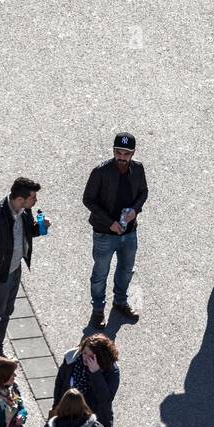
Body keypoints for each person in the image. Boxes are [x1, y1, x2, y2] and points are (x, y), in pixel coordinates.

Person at [0, 177, 49, 358]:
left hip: (15, 269)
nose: (35, 201)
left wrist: (40, 228)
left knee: (7, 311)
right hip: (0, 275)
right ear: (19, 199)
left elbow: (29, 231)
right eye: (33, 198)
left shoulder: (24, 210)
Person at [82, 134, 148, 326]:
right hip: (105, 233)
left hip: (129, 232)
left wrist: (135, 210)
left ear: (132, 153)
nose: (121, 157)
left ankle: (120, 302)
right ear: (113, 151)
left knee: (126, 269)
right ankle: (98, 310)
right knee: (100, 273)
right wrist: (110, 222)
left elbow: (144, 192)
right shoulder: (100, 172)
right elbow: (88, 199)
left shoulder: (138, 168)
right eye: (118, 152)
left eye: (126, 154)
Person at [52, 334, 120, 427]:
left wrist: (96, 373)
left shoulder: (111, 371)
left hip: (93, 421)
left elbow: (105, 400)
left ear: (100, 357)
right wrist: (56, 405)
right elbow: (60, 383)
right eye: (84, 353)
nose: (85, 358)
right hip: (68, 414)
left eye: (91, 356)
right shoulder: (72, 359)